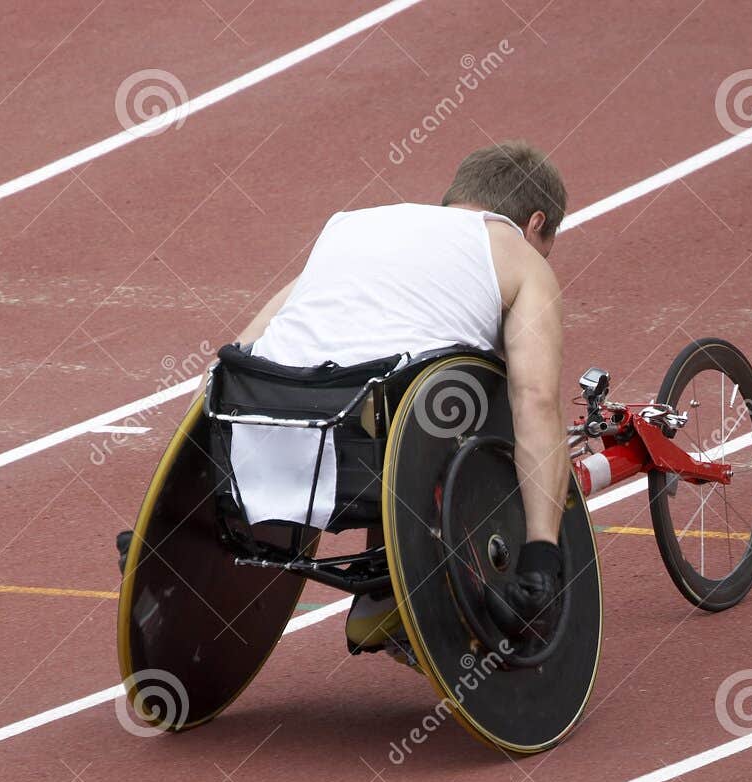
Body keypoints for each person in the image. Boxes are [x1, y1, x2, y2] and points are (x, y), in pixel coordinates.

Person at [234, 140, 570, 651]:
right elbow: (537, 400)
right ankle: (398, 588)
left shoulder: (352, 227)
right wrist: (542, 558)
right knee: (485, 386)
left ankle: (386, 586)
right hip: (376, 457)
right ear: (534, 223)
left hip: (260, 446)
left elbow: (241, 352)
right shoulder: (518, 256)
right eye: (546, 245)